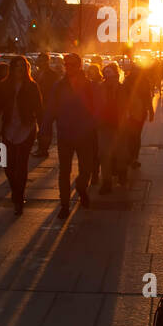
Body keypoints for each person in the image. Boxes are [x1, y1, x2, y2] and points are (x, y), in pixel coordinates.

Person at [40, 53, 99, 220]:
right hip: (65, 134)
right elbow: (51, 108)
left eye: (73, 64)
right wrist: (45, 128)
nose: (69, 67)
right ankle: (64, 205)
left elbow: (97, 109)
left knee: (86, 169)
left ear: (79, 66)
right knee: (64, 172)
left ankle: (81, 189)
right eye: (67, 64)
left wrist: (93, 126)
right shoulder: (59, 86)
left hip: (85, 135)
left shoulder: (89, 86)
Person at [0, 56, 44, 216]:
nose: (19, 69)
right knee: (8, 165)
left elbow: (39, 110)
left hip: (26, 128)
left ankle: (19, 198)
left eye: (22, 66)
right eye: (17, 66)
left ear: (26, 68)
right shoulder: (4, 86)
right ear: (12, 69)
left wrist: (43, 132)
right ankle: (15, 190)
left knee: (21, 164)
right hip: (8, 129)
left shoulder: (32, 86)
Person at [94, 63, 128, 194]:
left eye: (111, 74)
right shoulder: (100, 88)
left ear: (116, 75)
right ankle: (106, 182)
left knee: (121, 153)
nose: (108, 77)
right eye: (106, 74)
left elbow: (125, 106)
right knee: (104, 154)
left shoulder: (121, 88)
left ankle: (122, 173)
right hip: (104, 126)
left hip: (119, 126)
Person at [124, 61, 154, 169]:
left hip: (138, 112)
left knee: (134, 136)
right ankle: (132, 157)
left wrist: (151, 110)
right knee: (133, 136)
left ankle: (133, 157)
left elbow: (147, 97)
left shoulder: (133, 80)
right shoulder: (140, 80)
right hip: (134, 112)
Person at [34, 52, 62, 159]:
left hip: (47, 106)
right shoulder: (36, 73)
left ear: (47, 61)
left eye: (42, 60)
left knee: (45, 128)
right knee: (41, 128)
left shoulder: (52, 74)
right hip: (38, 105)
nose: (39, 62)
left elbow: (55, 91)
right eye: (39, 60)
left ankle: (44, 149)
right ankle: (41, 148)